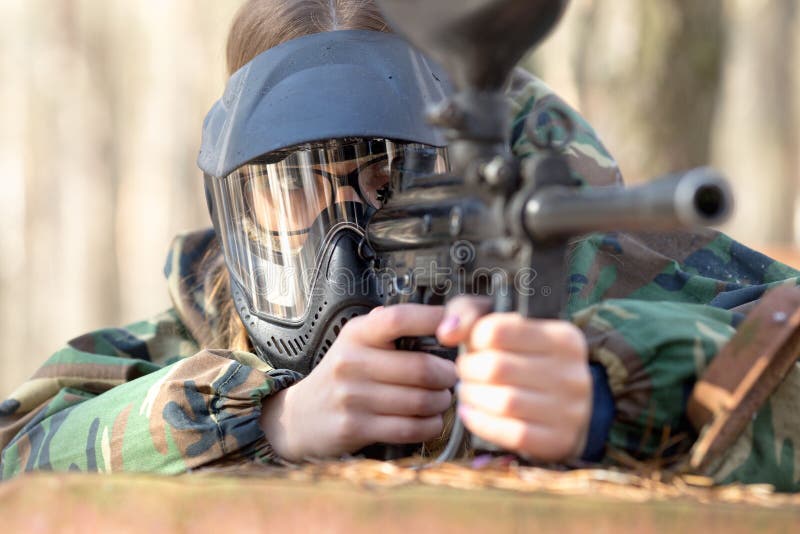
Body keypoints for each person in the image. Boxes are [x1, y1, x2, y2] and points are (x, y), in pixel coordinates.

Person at [1, 0, 799, 491]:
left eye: (386, 176)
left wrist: (613, 401)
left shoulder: (602, 265)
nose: (341, 238)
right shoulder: (219, 330)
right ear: (240, 198)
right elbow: (16, 458)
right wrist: (267, 420)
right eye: (293, 185)